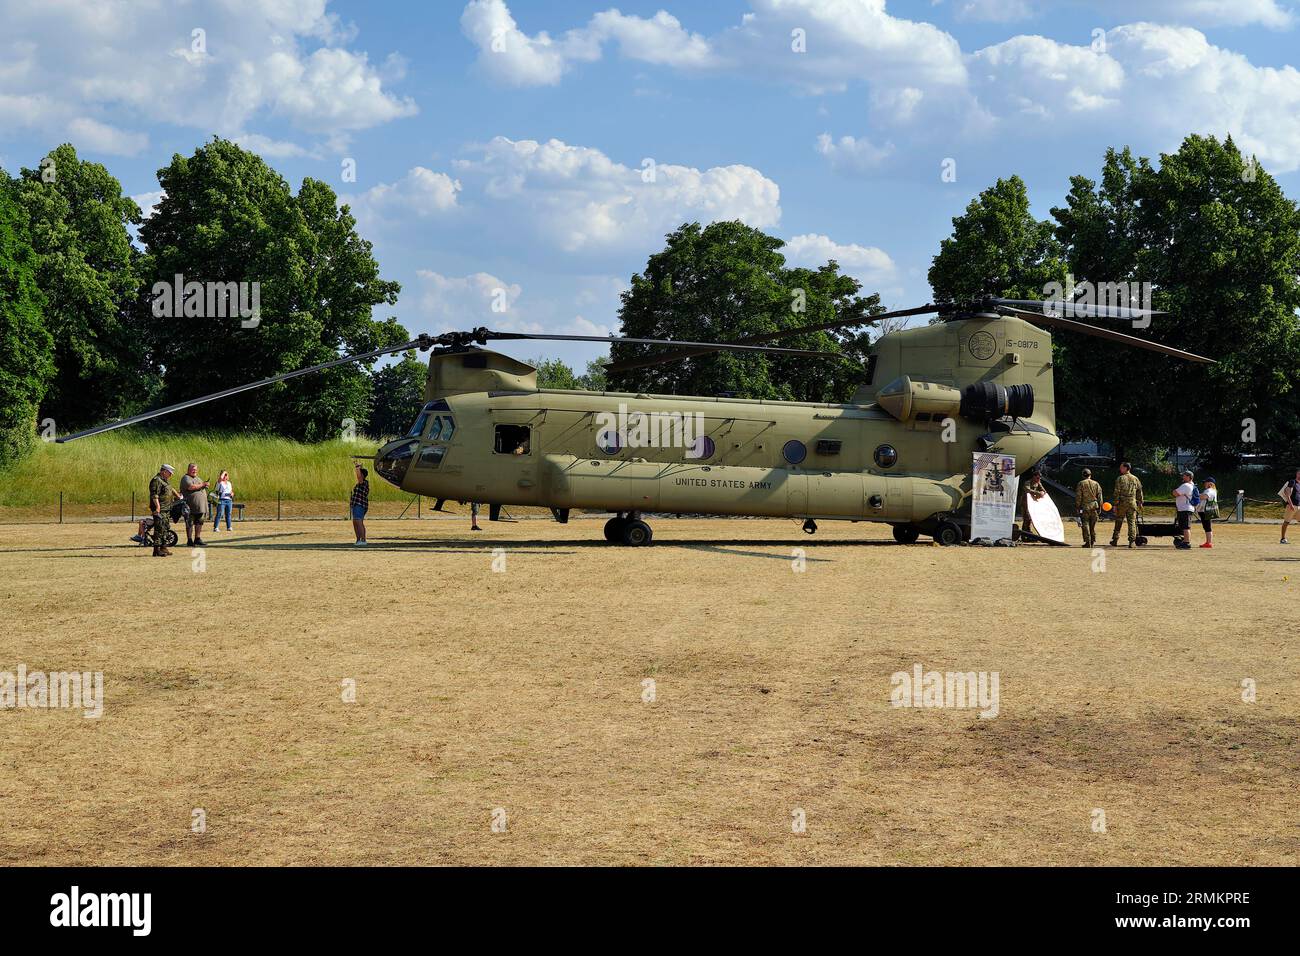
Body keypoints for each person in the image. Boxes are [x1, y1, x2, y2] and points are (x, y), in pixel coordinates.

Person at [1109, 461, 1144, 548]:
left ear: (1126, 468)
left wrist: (1115, 505)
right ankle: (1132, 542)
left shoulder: (1120, 478)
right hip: (1132, 503)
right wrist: (1140, 502)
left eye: (1121, 467)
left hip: (1122, 503)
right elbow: (1139, 491)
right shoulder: (1135, 478)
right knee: (1131, 522)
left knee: (1119, 521)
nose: (1120, 469)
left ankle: (1115, 540)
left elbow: (1116, 492)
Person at [148, 464, 178, 557]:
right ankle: (156, 550)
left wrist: (177, 495)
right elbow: (154, 495)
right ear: (164, 471)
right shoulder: (156, 480)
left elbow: (170, 489)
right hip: (160, 510)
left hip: (166, 509)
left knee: (165, 528)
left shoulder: (164, 481)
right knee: (159, 529)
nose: (171, 475)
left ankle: (163, 547)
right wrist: (157, 507)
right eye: (169, 473)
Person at [179, 462, 209, 547]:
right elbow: (191, 487)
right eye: (193, 469)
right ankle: (189, 540)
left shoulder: (198, 478)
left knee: (199, 522)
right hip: (190, 506)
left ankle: (197, 538)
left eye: (195, 469)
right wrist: (202, 484)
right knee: (190, 523)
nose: (194, 471)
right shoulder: (185, 478)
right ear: (188, 469)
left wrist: (205, 485)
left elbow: (200, 485)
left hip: (200, 507)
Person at [1074, 467, 1103, 548]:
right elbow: (1100, 496)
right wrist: (1100, 506)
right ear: (1090, 475)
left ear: (1083, 475)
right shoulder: (1096, 483)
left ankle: (1088, 541)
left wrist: (1077, 506)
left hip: (1085, 507)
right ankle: (1093, 541)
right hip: (1094, 506)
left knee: (1085, 524)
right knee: (1092, 526)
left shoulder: (1081, 483)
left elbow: (1078, 496)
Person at [1172, 469, 1195, 549]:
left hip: (1185, 508)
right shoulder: (1192, 485)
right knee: (1185, 526)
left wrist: (1174, 491)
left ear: (1189, 477)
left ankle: (1187, 543)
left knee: (1186, 527)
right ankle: (1185, 540)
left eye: (1184, 475)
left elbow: (1175, 493)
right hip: (1186, 508)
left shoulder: (1186, 485)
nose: (1183, 476)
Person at [1018, 468, 1046, 534]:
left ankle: (1027, 532)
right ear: (1033, 477)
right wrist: (1038, 493)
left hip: (1032, 504)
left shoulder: (1038, 483)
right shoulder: (1027, 482)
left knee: (1030, 518)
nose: (1038, 480)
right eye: (1037, 478)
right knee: (1026, 518)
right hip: (1025, 503)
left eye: (1039, 478)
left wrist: (1042, 493)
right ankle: (1025, 533)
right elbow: (1027, 490)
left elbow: (1044, 491)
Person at [1196, 477, 1219, 548]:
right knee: (1206, 526)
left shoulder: (1210, 490)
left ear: (1210, 483)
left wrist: (1195, 495)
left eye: (1205, 482)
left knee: (1207, 526)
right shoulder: (1211, 490)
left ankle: (1209, 542)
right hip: (1206, 510)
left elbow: (1204, 497)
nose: (1204, 484)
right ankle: (1208, 542)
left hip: (1206, 511)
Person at [1279, 468, 1300, 544]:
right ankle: (1282, 538)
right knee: (1286, 522)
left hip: (1298, 507)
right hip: (1291, 506)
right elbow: (1288, 493)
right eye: (1299, 473)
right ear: (1296, 474)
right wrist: (1290, 504)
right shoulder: (1292, 482)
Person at [350, 465, 369, 545]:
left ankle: (363, 540)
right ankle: (358, 539)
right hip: (356, 504)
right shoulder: (360, 484)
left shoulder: (364, 483)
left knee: (359, 521)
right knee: (355, 522)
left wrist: (357, 467)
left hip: (360, 504)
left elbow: (359, 476)